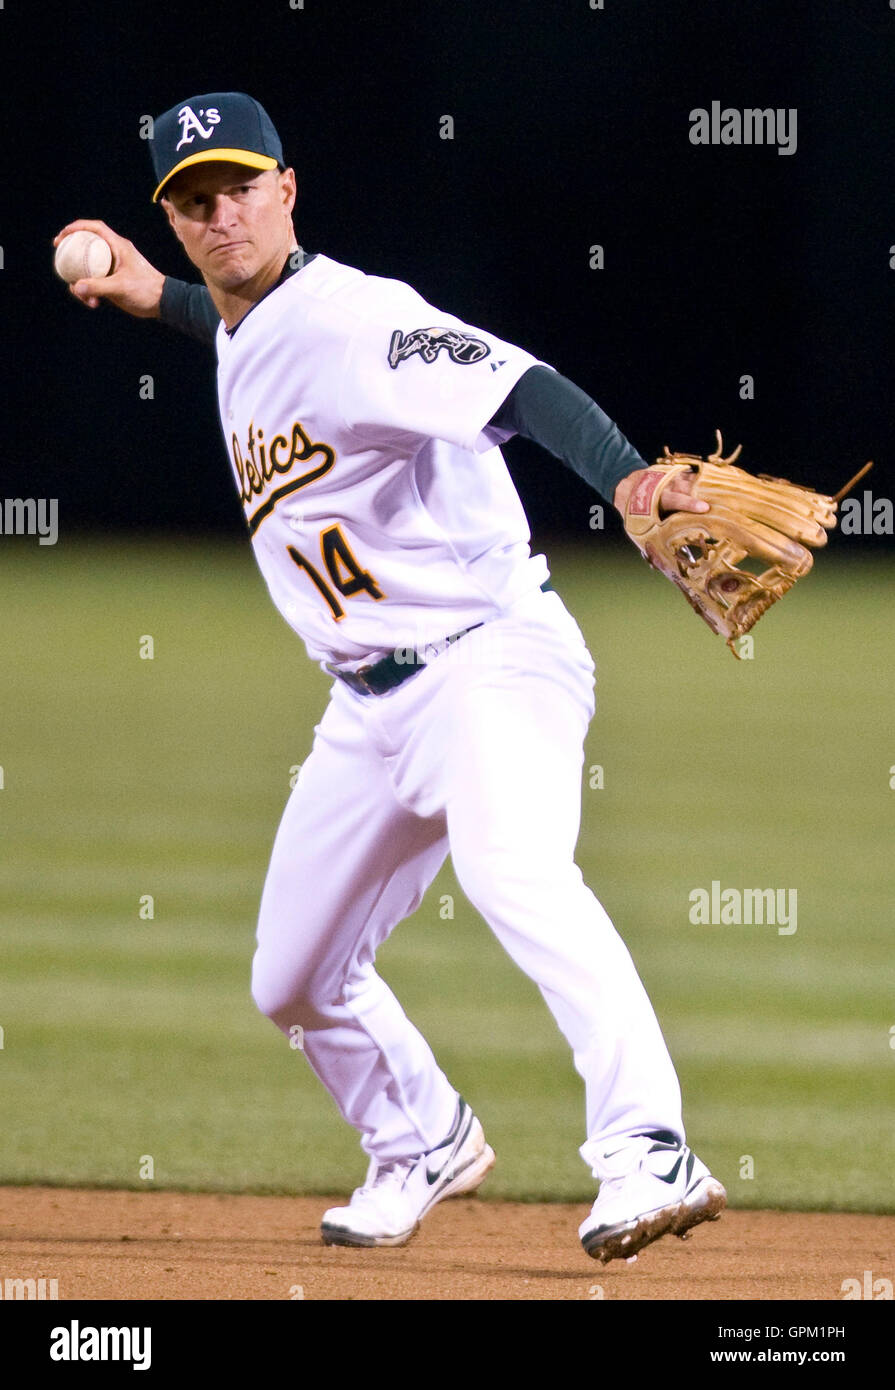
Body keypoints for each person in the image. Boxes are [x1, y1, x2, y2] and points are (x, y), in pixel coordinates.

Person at [55, 91, 725, 1264]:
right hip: (367, 706)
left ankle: (649, 1149)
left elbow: (522, 386)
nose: (222, 218)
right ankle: (420, 1136)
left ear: (288, 187)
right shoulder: (245, 323)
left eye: (239, 188)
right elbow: (232, 333)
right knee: (295, 976)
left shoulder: (361, 315)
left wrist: (621, 479)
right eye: (192, 202)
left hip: (488, 658)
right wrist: (137, 291)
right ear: (172, 218)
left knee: (515, 871)